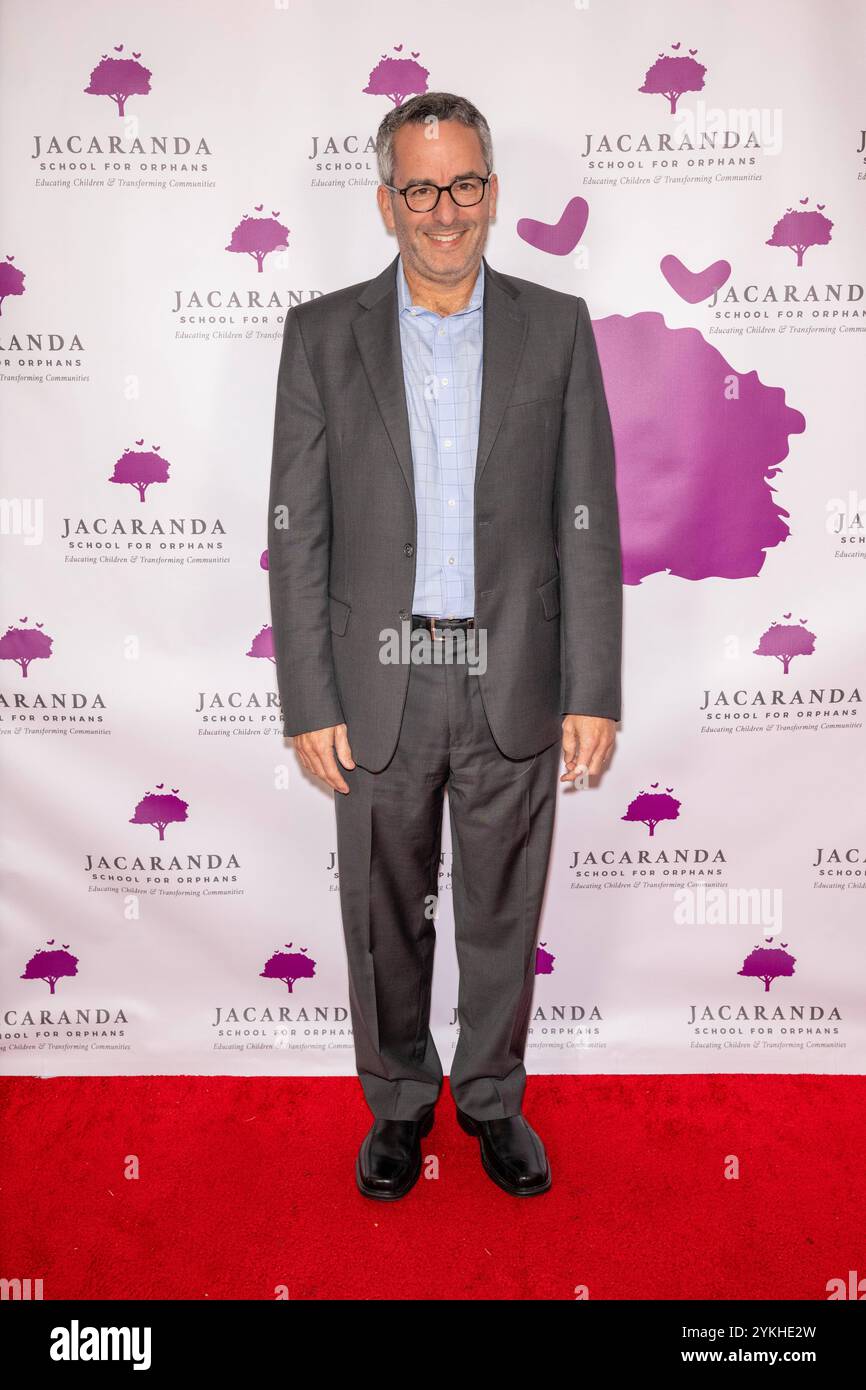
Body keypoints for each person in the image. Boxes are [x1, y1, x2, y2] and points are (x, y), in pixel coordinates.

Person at [268, 92, 622, 1201]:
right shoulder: (320, 337)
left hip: (512, 671)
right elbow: (298, 530)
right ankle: (396, 1102)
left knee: (502, 909)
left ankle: (490, 1099)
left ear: (491, 193)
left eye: (463, 184)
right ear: (385, 202)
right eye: (419, 188)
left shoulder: (555, 327)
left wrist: (593, 685)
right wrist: (306, 696)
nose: (443, 211)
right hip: (378, 678)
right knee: (382, 914)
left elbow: (588, 520)